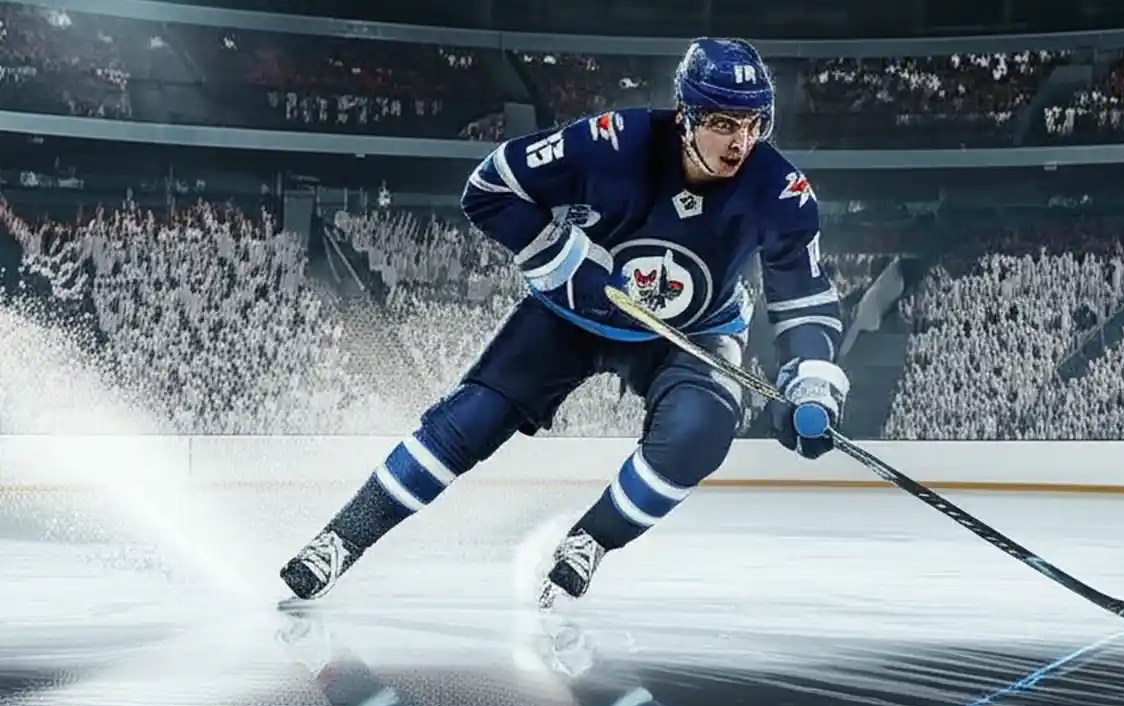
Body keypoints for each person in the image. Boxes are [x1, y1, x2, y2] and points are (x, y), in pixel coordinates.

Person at [279, 37, 849, 610]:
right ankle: (341, 539)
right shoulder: (612, 143)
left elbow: (801, 298)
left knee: (700, 434)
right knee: (470, 419)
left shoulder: (782, 191)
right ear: (685, 115)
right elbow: (489, 189)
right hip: (573, 313)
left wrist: (813, 383)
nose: (741, 143)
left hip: (692, 332)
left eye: (753, 124)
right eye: (724, 123)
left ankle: (590, 542)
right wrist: (563, 261)